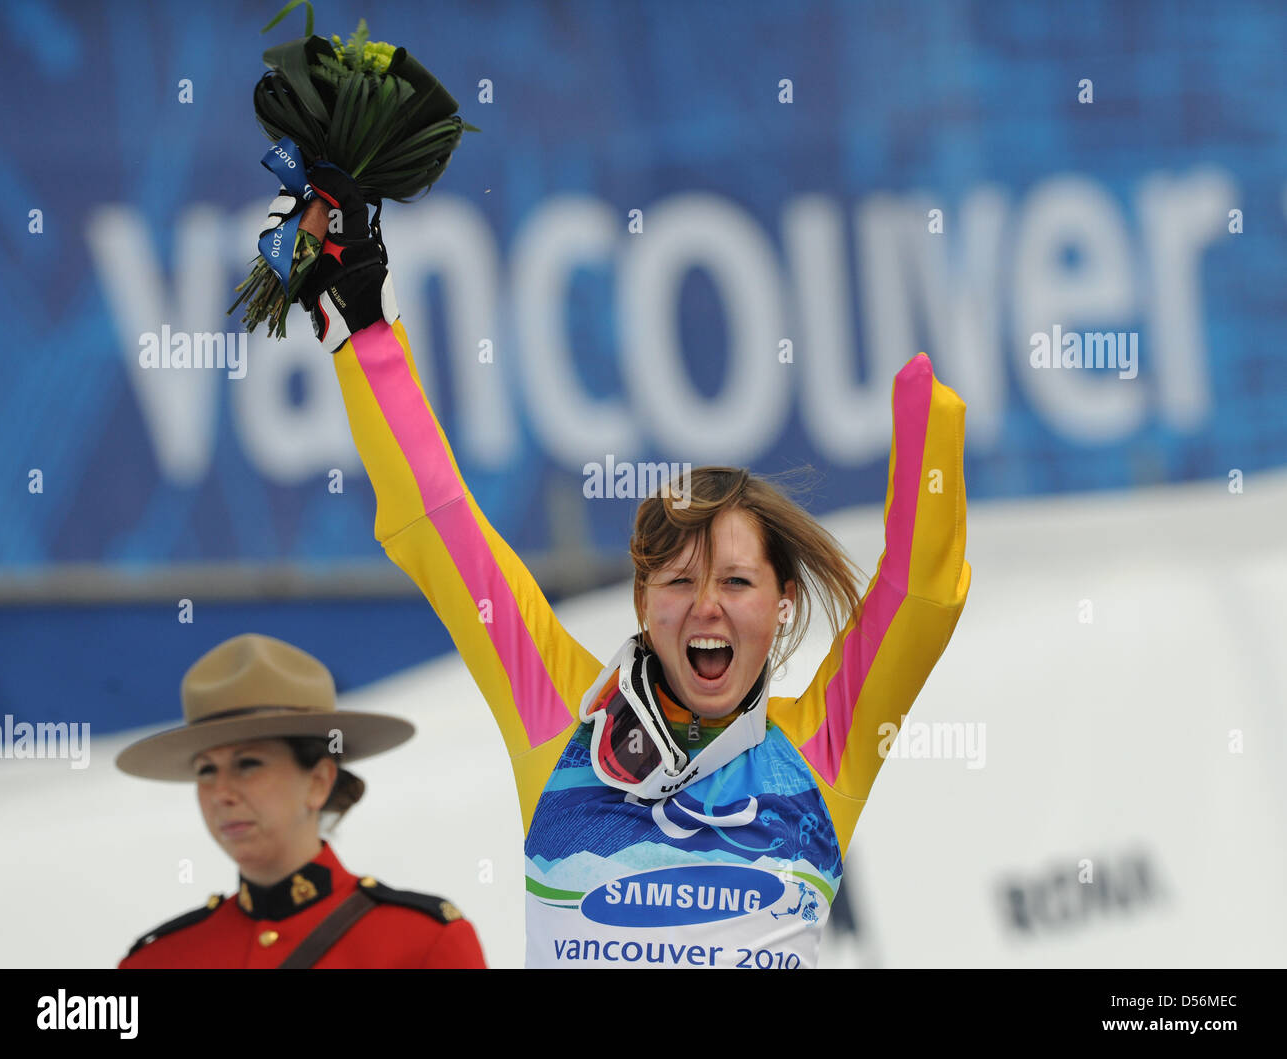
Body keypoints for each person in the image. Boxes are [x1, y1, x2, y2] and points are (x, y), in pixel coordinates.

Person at [279, 164, 970, 968]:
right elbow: (440, 528)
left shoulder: (824, 752)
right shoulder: (557, 720)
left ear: (784, 601)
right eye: (679, 580)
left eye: (737, 581)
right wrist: (362, 324)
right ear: (642, 599)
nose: (706, 605)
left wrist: (933, 435)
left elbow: (922, 595)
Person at [115, 632, 486, 968]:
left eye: (248, 764)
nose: (221, 794)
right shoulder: (158, 960)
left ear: (319, 782)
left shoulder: (423, 944)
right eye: (206, 770)